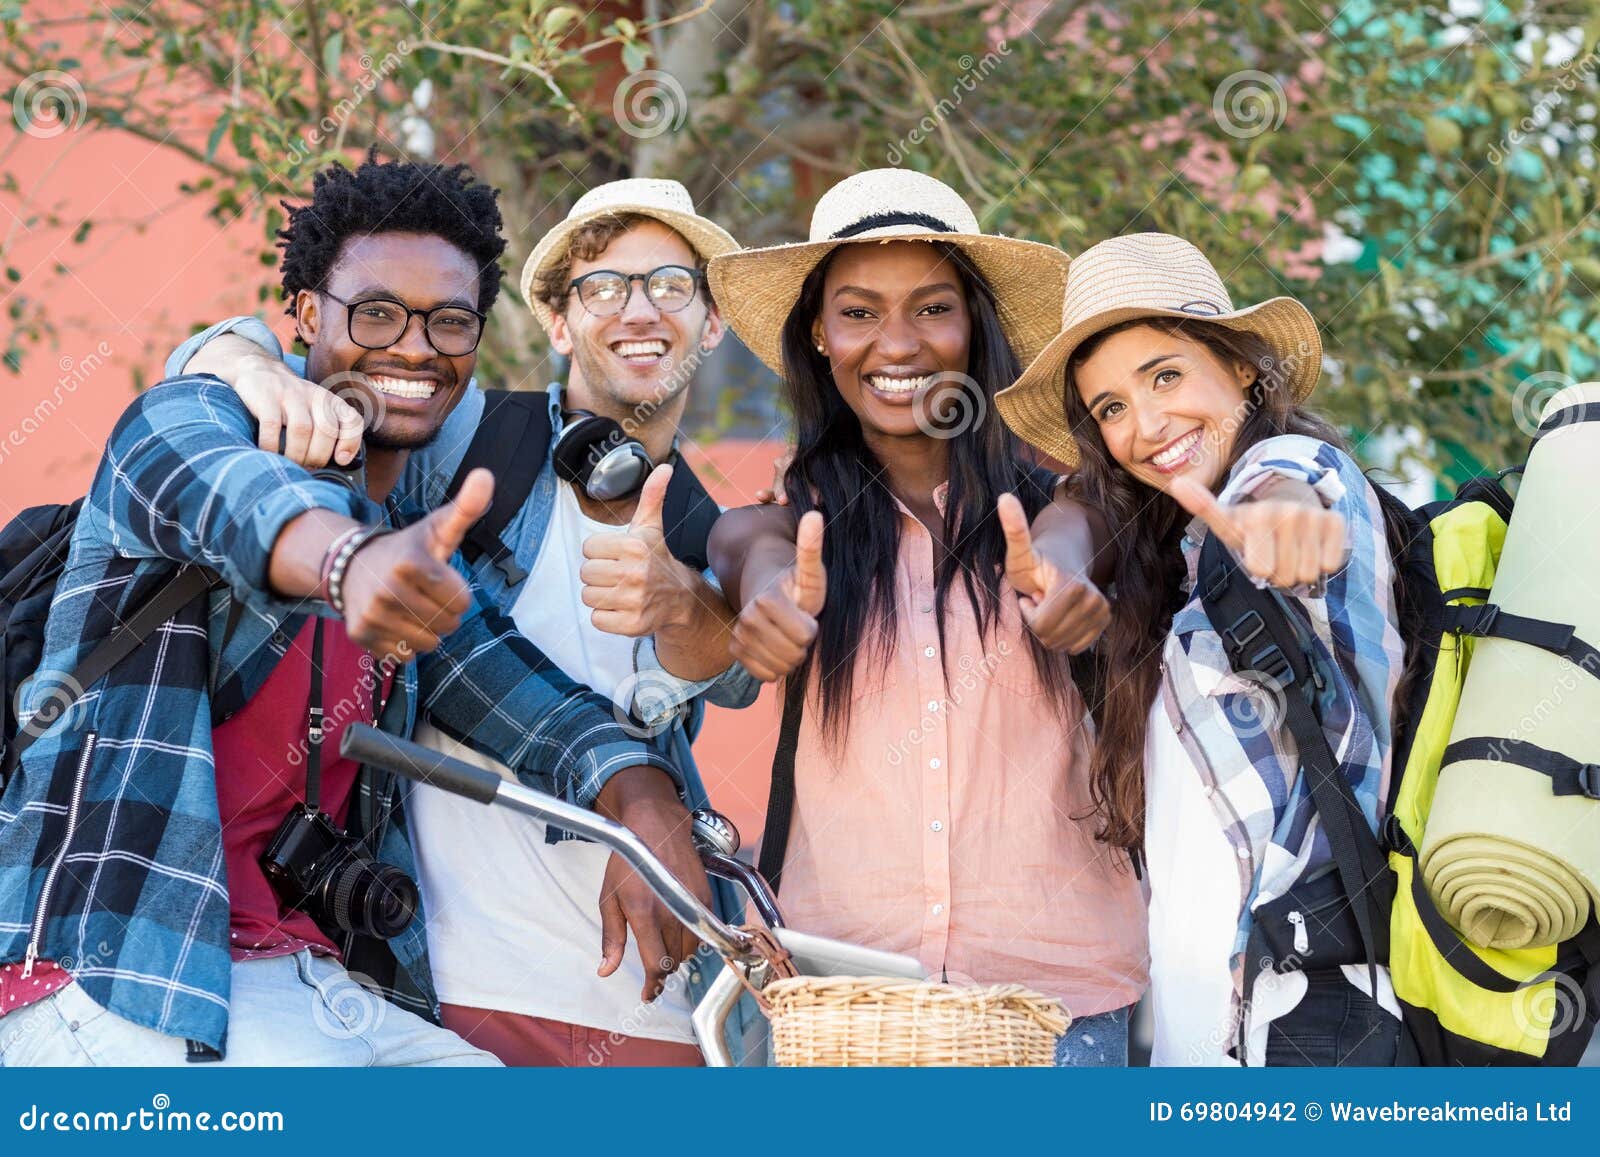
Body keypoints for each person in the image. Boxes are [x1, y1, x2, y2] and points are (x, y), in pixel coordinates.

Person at [0, 155, 694, 1066]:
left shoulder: (406, 533)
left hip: (305, 981)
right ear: (306, 314)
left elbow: (528, 701)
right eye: (375, 312)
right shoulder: (188, 417)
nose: (415, 347)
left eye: (449, 322)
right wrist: (349, 562)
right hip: (117, 981)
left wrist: (645, 800)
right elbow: (229, 497)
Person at [164, 179, 758, 1066]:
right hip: (425, 980)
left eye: (673, 285)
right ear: (556, 324)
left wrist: (646, 777)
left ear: (713, 325)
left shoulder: (708, 531)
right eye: (604, 286)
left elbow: (723, 671)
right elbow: (232, 418)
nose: (641, 311)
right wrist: (236, 353)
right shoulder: (458, 433)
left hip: (646, 999)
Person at [705, 169, 1149, 1067]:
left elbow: (1073, 533)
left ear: (976, 330)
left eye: (933, 308)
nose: (897, 343)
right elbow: (743, 550)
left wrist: (1060, 580)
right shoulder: (785, 532)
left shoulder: (1069, 510)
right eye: (859, 312)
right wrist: (766, 600)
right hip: (841, 1011)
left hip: (1058, 1017)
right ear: (820, 339)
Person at [995, 231, 1407, 1066]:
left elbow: (1294, 487)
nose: (1145, 424)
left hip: (1306, 1019)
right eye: (1109, 407)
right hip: (1207, 1030)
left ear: (1245, 368)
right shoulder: (1182, 567)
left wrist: (1284, 523)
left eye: (1166, 375)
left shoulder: (1294, 465)